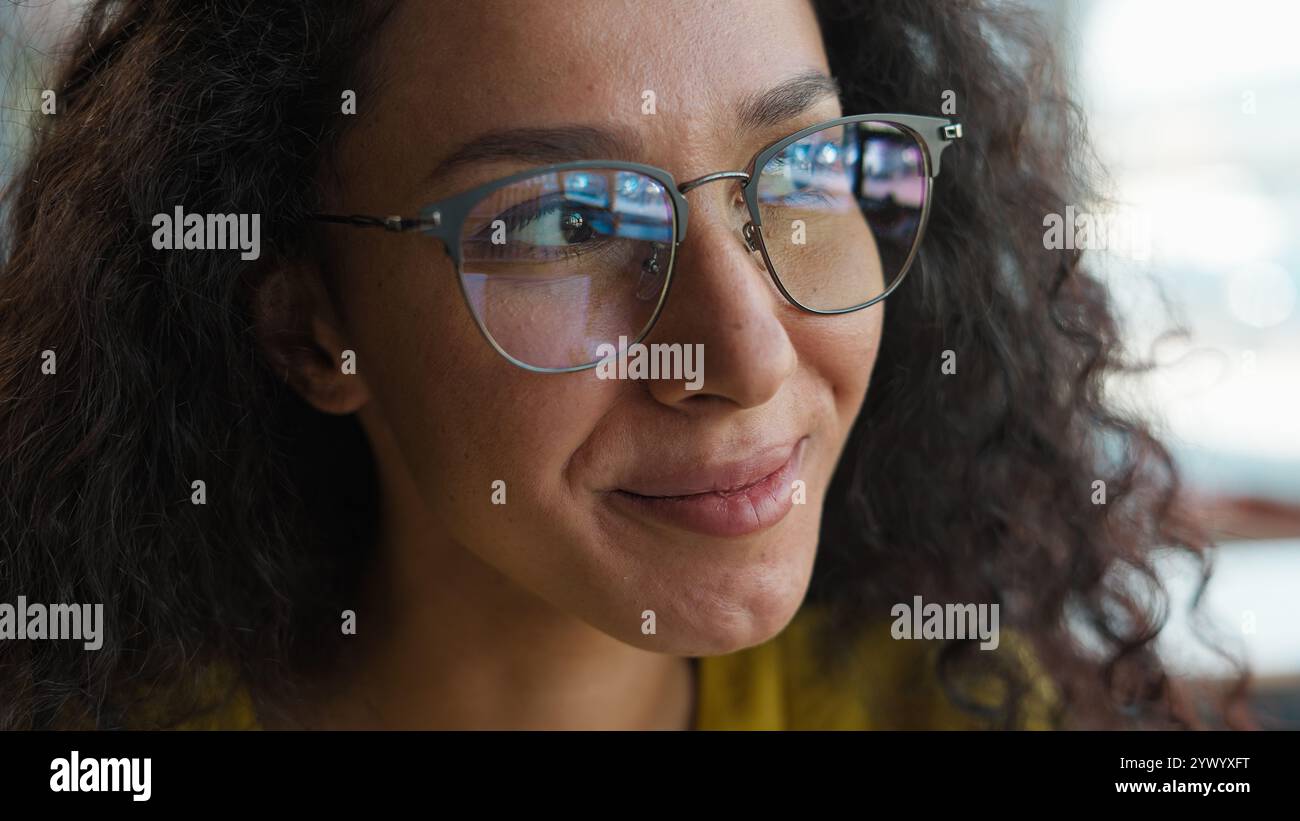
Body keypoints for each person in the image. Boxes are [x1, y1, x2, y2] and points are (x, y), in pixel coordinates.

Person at [0, 0, 1251, 730]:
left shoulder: (962, 704)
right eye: (566, 223)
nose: (750, 353)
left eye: (805, 172)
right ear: (312, 326)